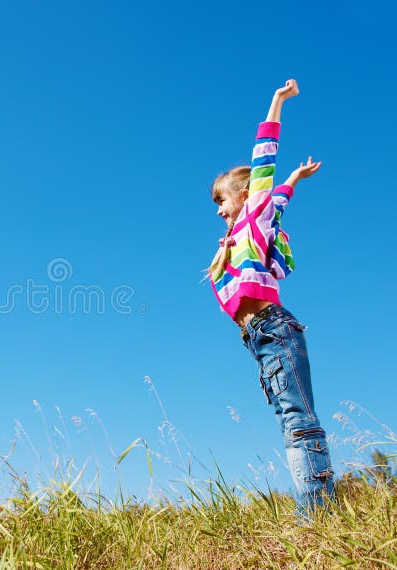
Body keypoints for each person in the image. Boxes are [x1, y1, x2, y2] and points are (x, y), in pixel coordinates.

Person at [208, 80, 335, 519]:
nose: (219, 210)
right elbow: (221, 288)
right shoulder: (233, 246)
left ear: (244, 196)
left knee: (299, 423)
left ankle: (317, 518)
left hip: (274, 329)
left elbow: (265, 163)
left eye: (221, 200)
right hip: (259, 338)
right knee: (290, 423)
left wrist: (278, 102)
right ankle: (318, 513)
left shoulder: (255, 217)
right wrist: (296, 181)